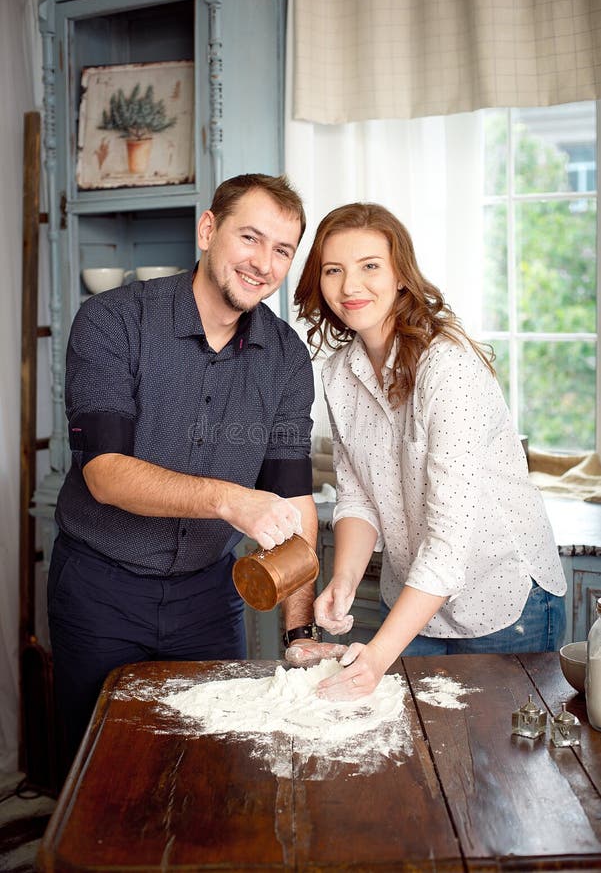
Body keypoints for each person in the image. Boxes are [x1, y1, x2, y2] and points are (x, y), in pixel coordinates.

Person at [49, 173, 339, 770]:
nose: (263, 263)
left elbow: (294, 498)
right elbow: (104, 473)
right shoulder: (112, 322)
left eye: (282, 249)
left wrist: (298, 632)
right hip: (101, 591)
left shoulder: (286, 357)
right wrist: (231, 500)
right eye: (250, 238)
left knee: (211, 773)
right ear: (208, 230)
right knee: (100, 774)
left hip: (209, 599)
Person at [293, 202, 567, 701]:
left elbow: (448, 543)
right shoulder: (338, 373)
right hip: (416, 606)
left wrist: (376, 654)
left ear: (401, 275)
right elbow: (357, 497)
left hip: (504, 601)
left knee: (500, 772)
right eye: (334, 270)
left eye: (370, 266)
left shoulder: (449, 369)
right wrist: (346, 579)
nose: (350, 287)